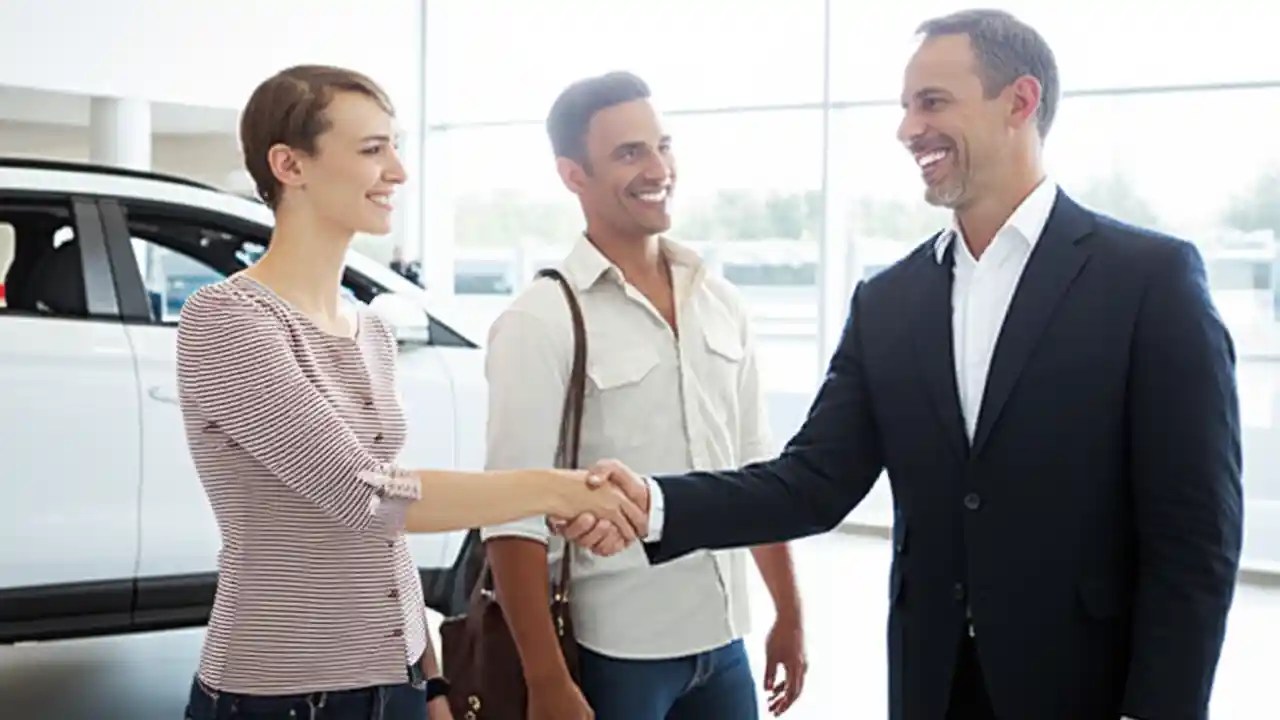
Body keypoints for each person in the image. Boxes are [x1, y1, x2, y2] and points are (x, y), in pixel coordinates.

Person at [565, 10, 1244, 720]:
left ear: (1020, 102)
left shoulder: (1148, 281)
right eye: (905, 107)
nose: (908, 128)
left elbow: (1195, 540)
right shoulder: (890, 301)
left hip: (1086, 689)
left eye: (932, 102)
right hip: (934, 683)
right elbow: (814, 482)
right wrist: (656, 502)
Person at [177, 65, 646, 720]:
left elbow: (382, 536)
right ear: (290, 165)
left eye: (395, 147)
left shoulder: (367, 329)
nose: (397, 171)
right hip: (279, 694)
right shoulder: (227, 320)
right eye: (373, 150)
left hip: (392, 681)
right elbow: (367, 497)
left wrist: (429, 679)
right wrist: (556, 488)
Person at [480, 71, 808, 720]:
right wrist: (547, 682)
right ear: (573, 174)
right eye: (629, 153)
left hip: (723, 640)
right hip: (617, 651)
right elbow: (511, 518)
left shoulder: (721, 302)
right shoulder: (541, 319)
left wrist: (789, 614)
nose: (658, 167)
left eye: (663, 145)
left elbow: (758, 472)